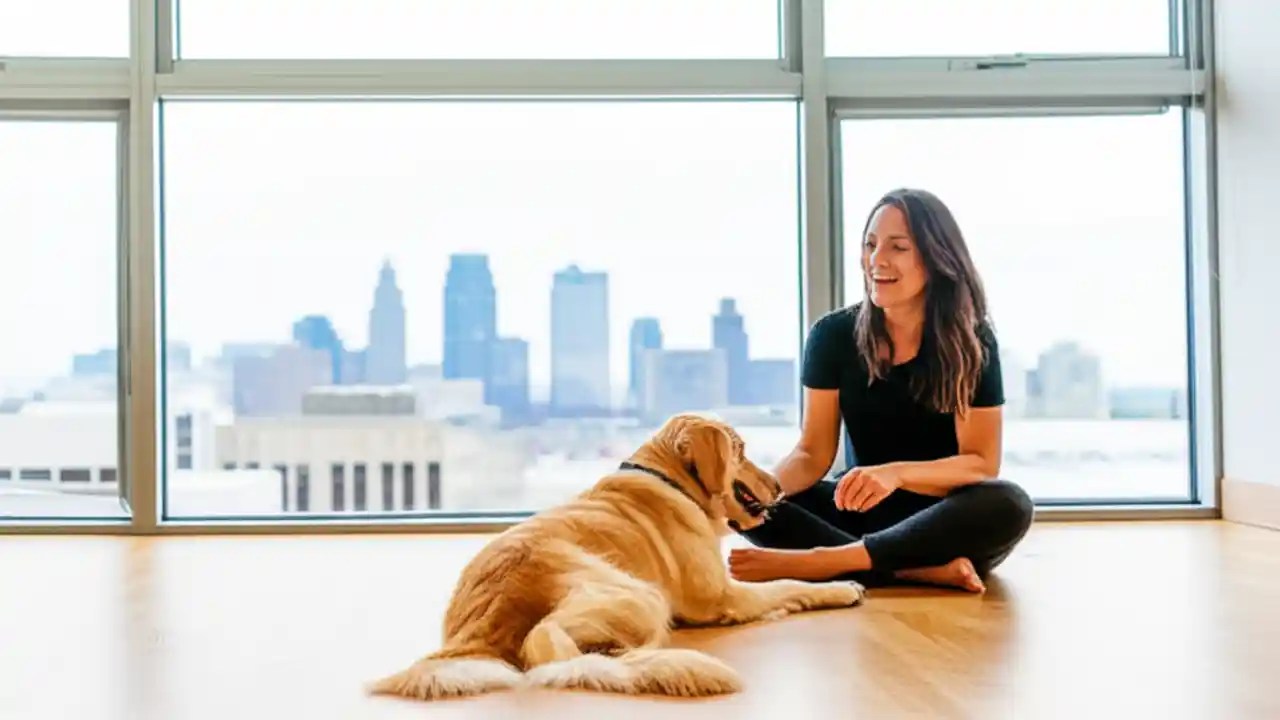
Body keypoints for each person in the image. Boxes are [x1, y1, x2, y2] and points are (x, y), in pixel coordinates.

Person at [728, 188, 1033, 593]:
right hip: (860, 515)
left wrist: (896, 474)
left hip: (942, 522)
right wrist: (754, 493)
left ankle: (829, 562)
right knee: (751, 505)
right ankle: (914, 572)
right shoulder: (832, 336)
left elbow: (979, 464)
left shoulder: (973, 341)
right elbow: (811, 453)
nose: (877, 260)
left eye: (898, 247)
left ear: (936, 257)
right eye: (870, 245)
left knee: (1009, 503)